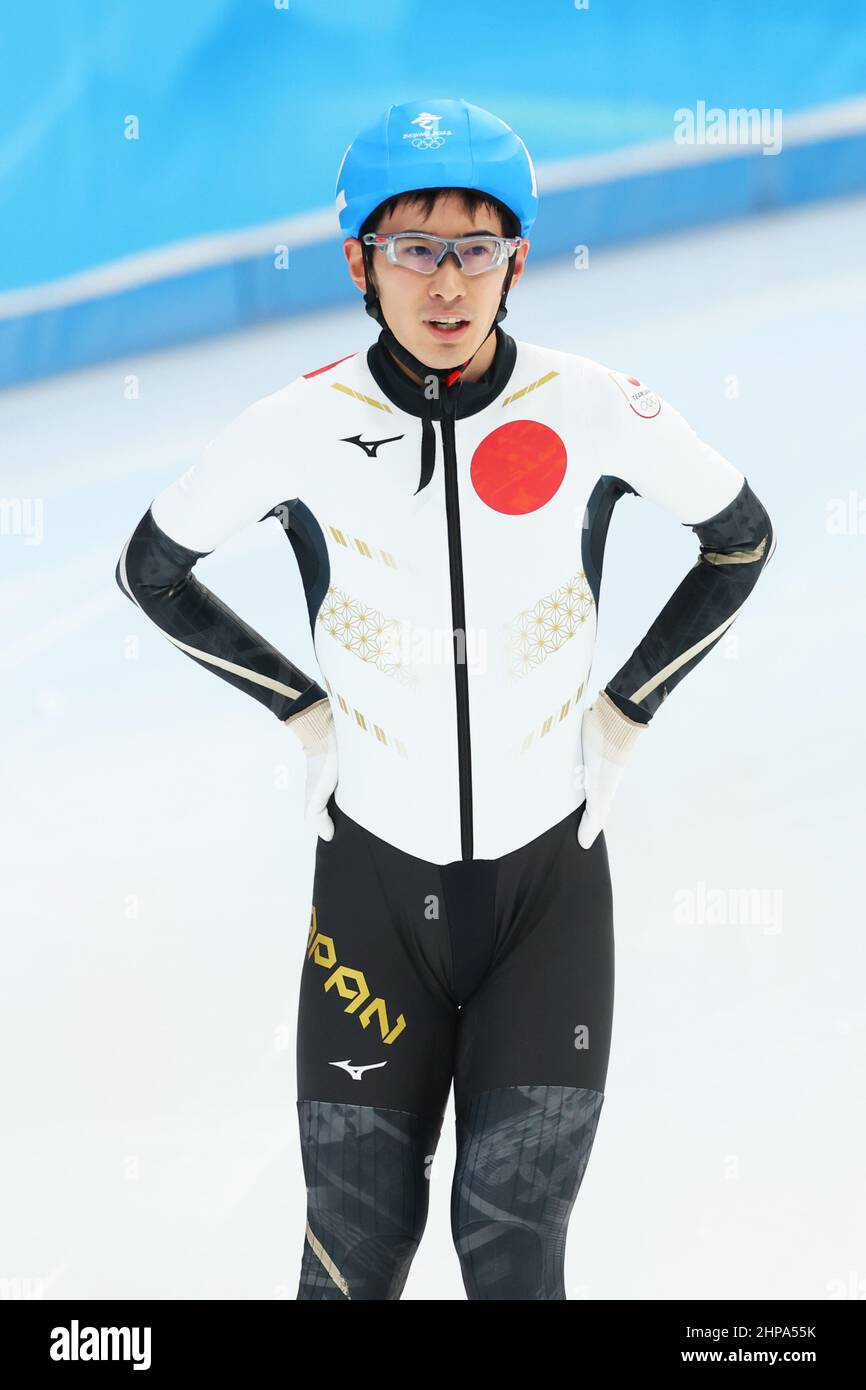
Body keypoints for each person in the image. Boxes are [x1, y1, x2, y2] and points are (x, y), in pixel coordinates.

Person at [115, 96, 776, 1300]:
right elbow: (149, 571)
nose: (445, 281)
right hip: (371, 899)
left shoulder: (587, 406)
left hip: (547, 897)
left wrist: (626, 708)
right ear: (357, 262)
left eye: (475, 245)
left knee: (512, 1253)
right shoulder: (295, 429)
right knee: (351, 1259)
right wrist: (300, 708)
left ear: (517, 259)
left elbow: (736, 539)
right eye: (412, 246)